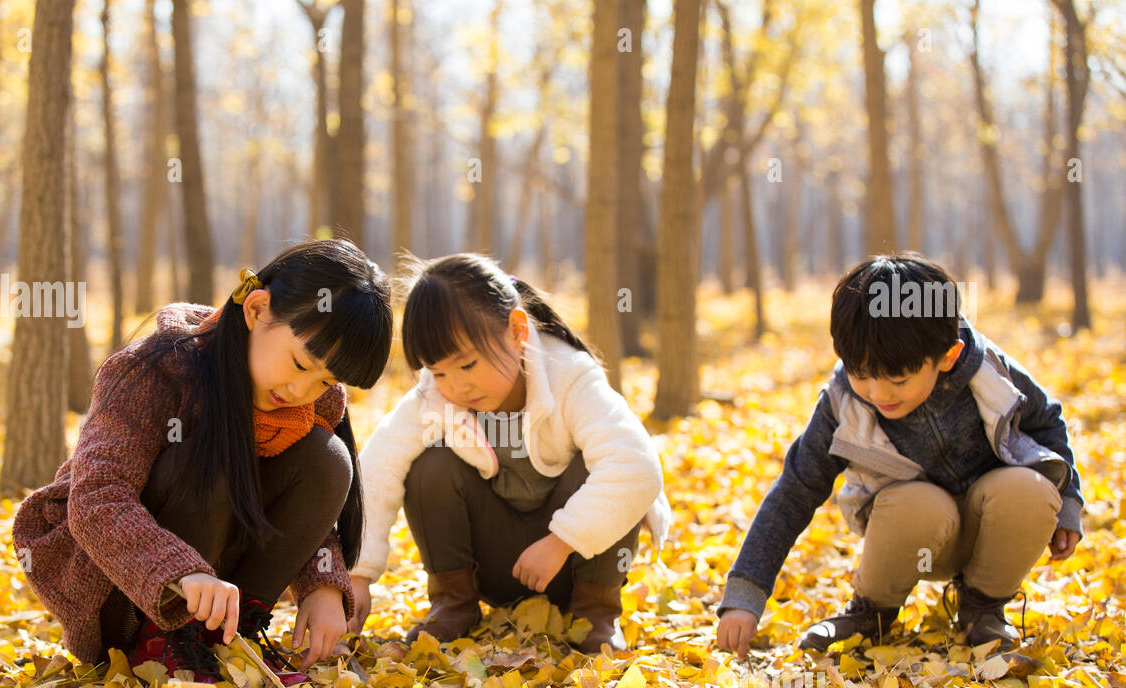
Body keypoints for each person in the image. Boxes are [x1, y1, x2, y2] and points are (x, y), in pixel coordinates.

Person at [12, 239, 393, 683]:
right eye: (299, 363)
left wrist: (323, 584)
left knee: (328, 459)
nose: (302, 390)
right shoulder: (154, 371)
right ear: (256, 310)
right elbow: (97, 499)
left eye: (325, 380)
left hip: (219, 587)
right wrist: (181, 573)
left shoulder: (312, 402)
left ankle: (231, 637)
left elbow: (311, 504)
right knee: (212, 452)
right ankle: (162, 640)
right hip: (125, 589)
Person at [716, 253, 1084, 662]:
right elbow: (794, 491)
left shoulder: (987, 371)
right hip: (912, 534)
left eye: (898, 379)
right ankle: (871, 612)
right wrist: (745, 595)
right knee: (919, 504)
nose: (878, 394)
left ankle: (983, 608)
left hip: (993, 523)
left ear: (947, 356)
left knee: (1031, 489)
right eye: (861, 374)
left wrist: (1070, 502)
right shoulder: (843, 404)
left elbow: (1047, 420)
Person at [346, 253, 671, 653]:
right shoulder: (436, 397)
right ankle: (455, 605)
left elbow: (636, 466)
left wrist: (560, 542)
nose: (457, 386)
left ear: (517, 330)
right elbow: (378, 468)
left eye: (467, 364)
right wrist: (357, 574)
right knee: (429, 464)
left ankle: (596, 617)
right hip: (497, 568)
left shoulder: (570, 375)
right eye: (440, 371)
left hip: (574, 566)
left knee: (602, 465)